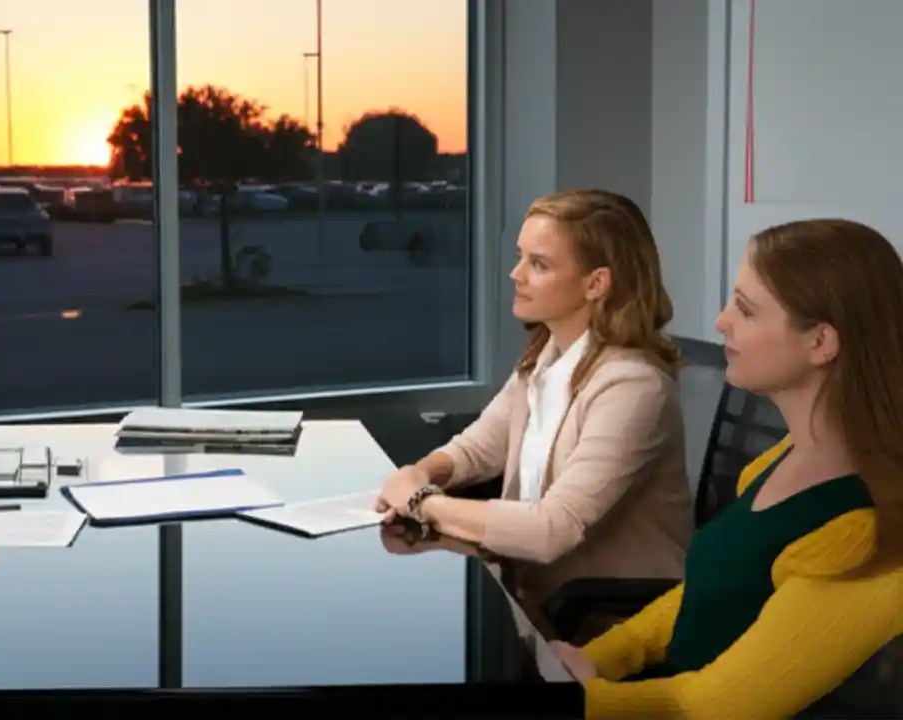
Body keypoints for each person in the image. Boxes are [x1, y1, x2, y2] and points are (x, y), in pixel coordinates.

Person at [550, 218, 903, 718]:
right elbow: (710, 592)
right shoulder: (775, 461)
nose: (720, 322)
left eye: (746, 309)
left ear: (821, 342)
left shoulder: (862, 533)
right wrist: (600, 657)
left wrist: (574, 700)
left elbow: (713, 707)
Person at [376, 188, 693, 624]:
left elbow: (552, 530)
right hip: (529, 594)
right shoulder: (546, 354)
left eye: (538, 264)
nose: (515, 274)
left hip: (605, 619)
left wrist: (422, 502)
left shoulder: (634, 386)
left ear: (596, 283)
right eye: (520, 256)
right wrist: (425, 471)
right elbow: (478, 449)